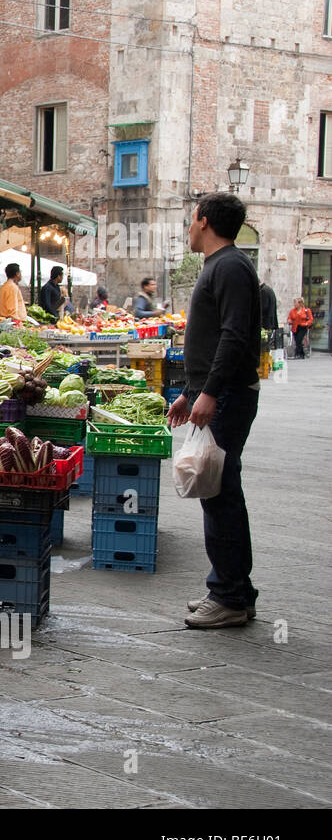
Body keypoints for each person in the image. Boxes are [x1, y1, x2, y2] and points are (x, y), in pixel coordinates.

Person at [167, 192, 261, 630]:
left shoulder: (230, 266)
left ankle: (230, 597)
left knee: (220, 493)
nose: (189, 227)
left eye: (191, 219)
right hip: (215, 394)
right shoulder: (221, 265)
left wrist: (212, 393)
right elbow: (214, 339)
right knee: (217, 492)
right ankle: (230, 588)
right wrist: (192, 390)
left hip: (228, 398)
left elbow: (235, 335)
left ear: (203, 221)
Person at [259, 279, 279, 348]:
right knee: (266, 344)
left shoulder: (263, 291)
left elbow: (263, 307)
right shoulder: (269, 289)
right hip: (270, 322)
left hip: (265, 323)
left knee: (264, 345)